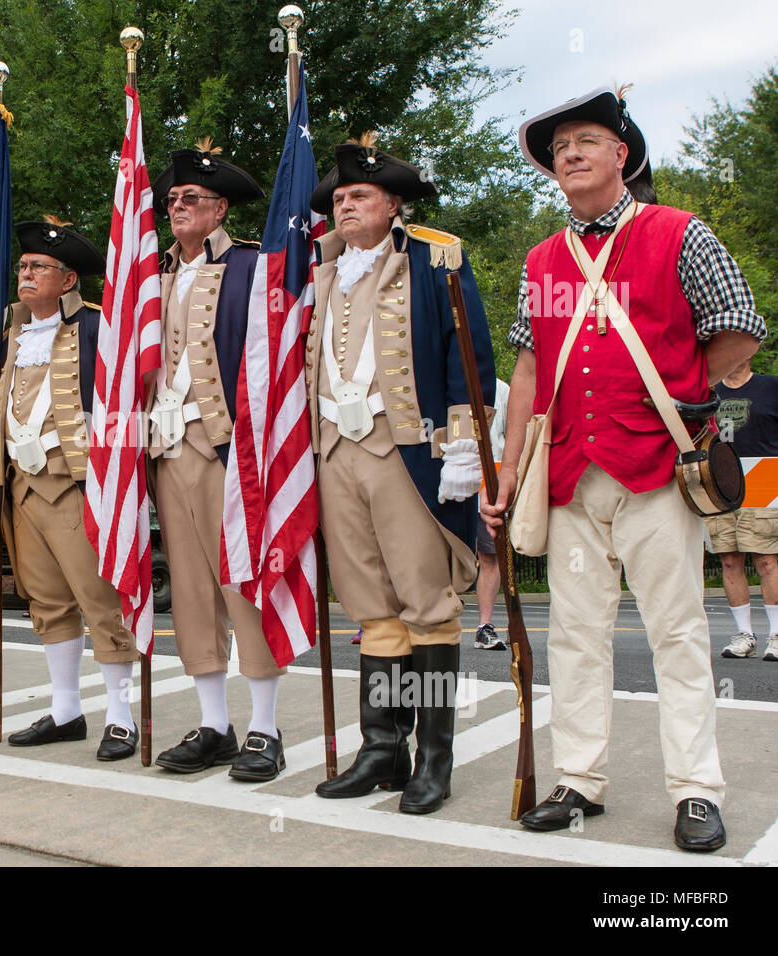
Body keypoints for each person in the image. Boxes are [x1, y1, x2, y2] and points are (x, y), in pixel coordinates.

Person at [486, 86, 766, 852]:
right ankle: (580, 779)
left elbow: (741, 328)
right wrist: (510, 468)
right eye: (558, 149)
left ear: (621, 154)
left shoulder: (679, 233)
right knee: (577, 634)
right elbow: (531, 365)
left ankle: (697, 791)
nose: (568, 155)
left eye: (584, 142)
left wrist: (674, 396)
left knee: (677, 633)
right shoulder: (543, 256)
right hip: (570, 472)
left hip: (656, 468)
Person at [305, 136, 495, 814]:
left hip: (407, 449)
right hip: (337, 450)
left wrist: (468, 447)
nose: (346, 206)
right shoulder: (323, 270)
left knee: (428, 608)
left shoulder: (435, 258)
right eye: (340, 199)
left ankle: (434, 761)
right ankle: (384, 748)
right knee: (374, 611)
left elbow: (467, 351)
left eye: (360, 196)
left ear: (394, 204)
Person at [146, 140, 287, 782]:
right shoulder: (150, 279)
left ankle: (264, 726)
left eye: (191, 199)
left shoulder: (255, 268)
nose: (178, 207)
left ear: (220, 207)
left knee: (241, 583)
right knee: (193, 592)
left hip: (228, 447)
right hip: (167, 446)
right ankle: (214, 725)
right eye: (172, 200)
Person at [0, 218, 140, 760]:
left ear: (69, 279)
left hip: (77, 486)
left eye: (39, 268)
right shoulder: (10, 334)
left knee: (101, 604)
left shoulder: (100, 328)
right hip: (23, 486)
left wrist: (120, 476)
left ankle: (121, 717)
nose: (26, 275)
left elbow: (127, 402)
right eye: (24, 267)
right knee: (48, 606)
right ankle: (66, 711)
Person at [708, 356, 778, 662]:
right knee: (729, 559)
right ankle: (743, 635)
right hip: (721, 481)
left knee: (766, 560)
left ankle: (776, 634)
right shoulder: (709, 392)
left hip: (765, 477)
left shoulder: (771, 387)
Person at [473, 377, 510, 651]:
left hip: (490, 480)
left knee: (492, 556)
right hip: (452, 479)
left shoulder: (501, 389)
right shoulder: (443, 380)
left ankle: (484, 627)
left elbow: (509, 439)